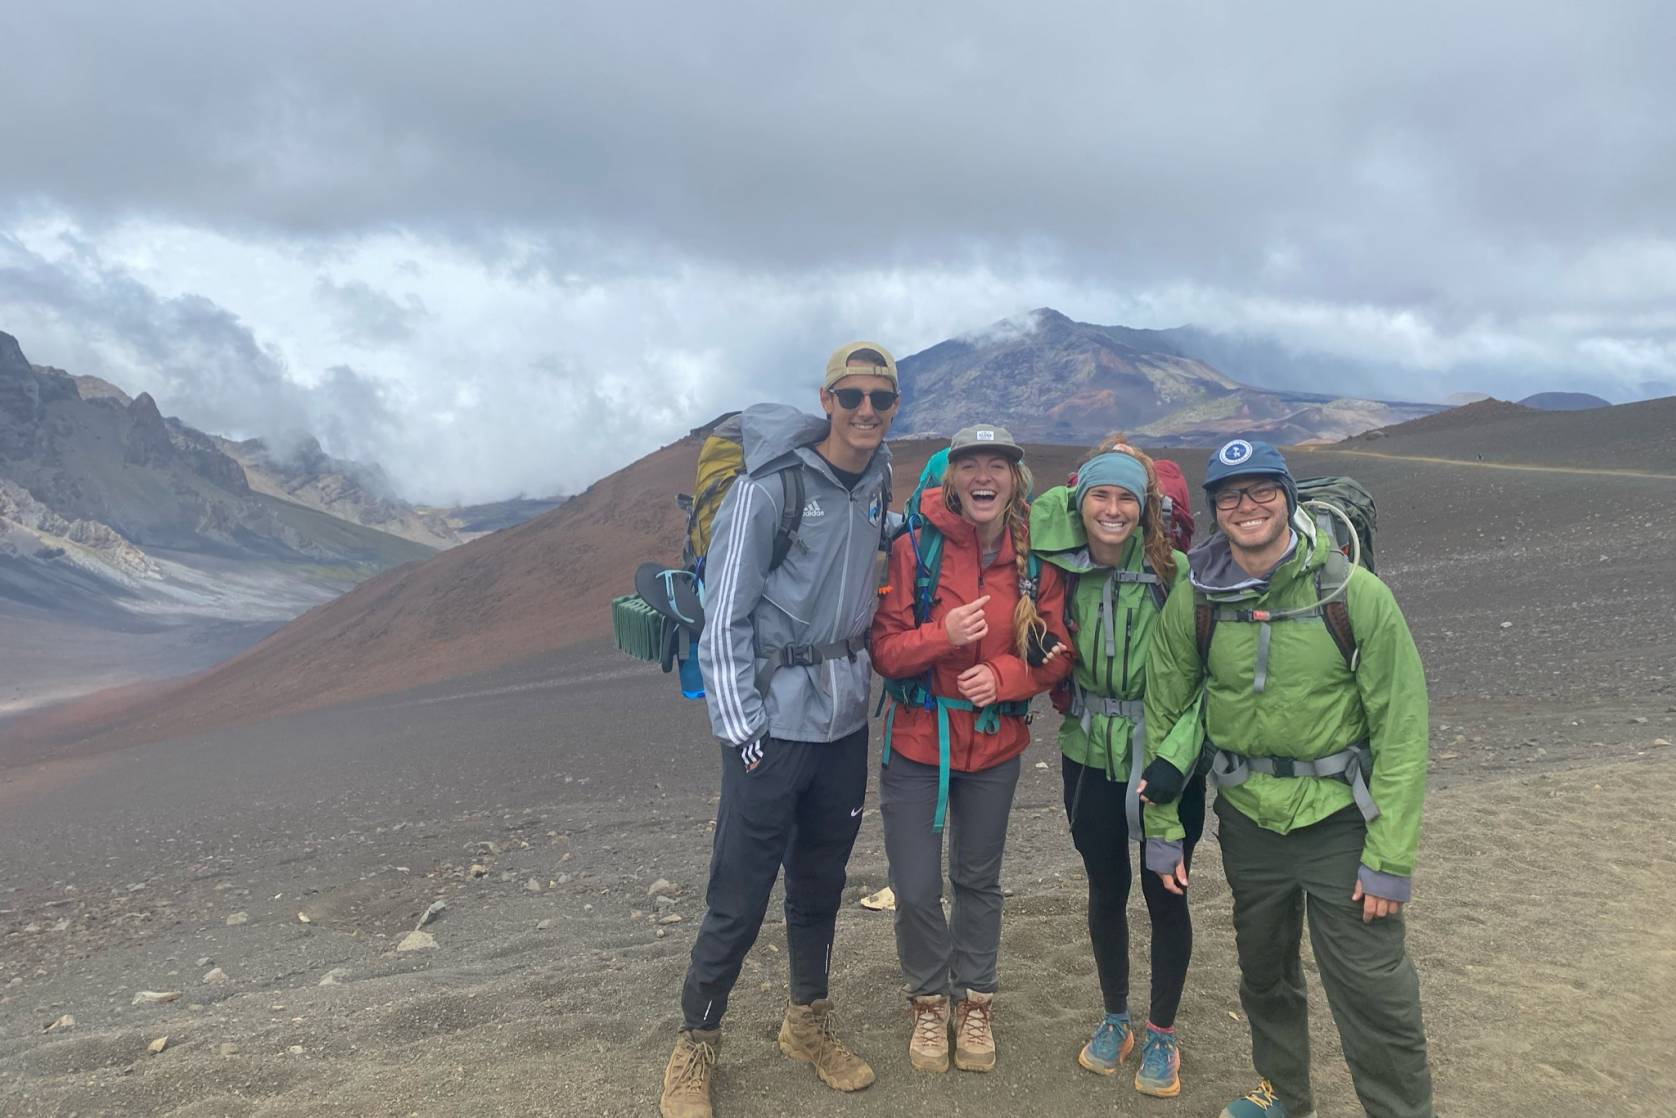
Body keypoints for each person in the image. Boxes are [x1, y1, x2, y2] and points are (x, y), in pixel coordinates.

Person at [1142, 439, 1433, 1118]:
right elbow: (1169, 711)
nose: (1248, 506)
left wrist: (1389, 857)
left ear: (1288, 498)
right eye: (1231, 495)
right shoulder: (1197, 601)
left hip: (1340, 820)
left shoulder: (1354, 594)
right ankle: (1284, 1092)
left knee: (1371, 986)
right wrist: (1160, 828)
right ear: (1215, 511)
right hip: (1247, 819)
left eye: (1262, 489)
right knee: (1265, 971)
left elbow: (1401, 730)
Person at [659, 342, 900, 1118]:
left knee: (820, 884)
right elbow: (724, 615)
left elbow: (865, 537)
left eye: (881, 398)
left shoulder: (879, 478)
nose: (866, 411)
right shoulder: (769, 490)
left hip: (845, 720)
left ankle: (807, 1022)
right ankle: (697, 1040)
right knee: (739, 891)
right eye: (852, 396)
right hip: (772, 727)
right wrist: (743, 732)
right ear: (825, 400)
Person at [870, 424, 1072, 1076]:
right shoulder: (913, 550)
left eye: (998, 465)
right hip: (917, 741)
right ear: (950, 478)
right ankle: (930, 1001)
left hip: (993, 746)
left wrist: (1008, 679)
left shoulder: (1036, 557)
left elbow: (1057, 650)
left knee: (978, 881)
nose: (984, 476)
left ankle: (975, 1001)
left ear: (1014, 480)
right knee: (917, 884)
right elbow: (884, 650)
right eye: (970, 465)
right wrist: (940, 634)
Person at [1029, 435, 1202, 1098]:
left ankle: (1161, 1033)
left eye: (1125, 497)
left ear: (1145, 507)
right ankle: (1115, 1020)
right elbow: (1039, 510)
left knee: (1166, 892)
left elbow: (1207, 680)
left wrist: (1176, 762)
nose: (1112, 508)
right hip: (1086, 753)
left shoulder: (1176, 574)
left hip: (1165, 760)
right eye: (1099, 494)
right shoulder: (1062, 565)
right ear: (1081, 501)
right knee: (1106, 889)